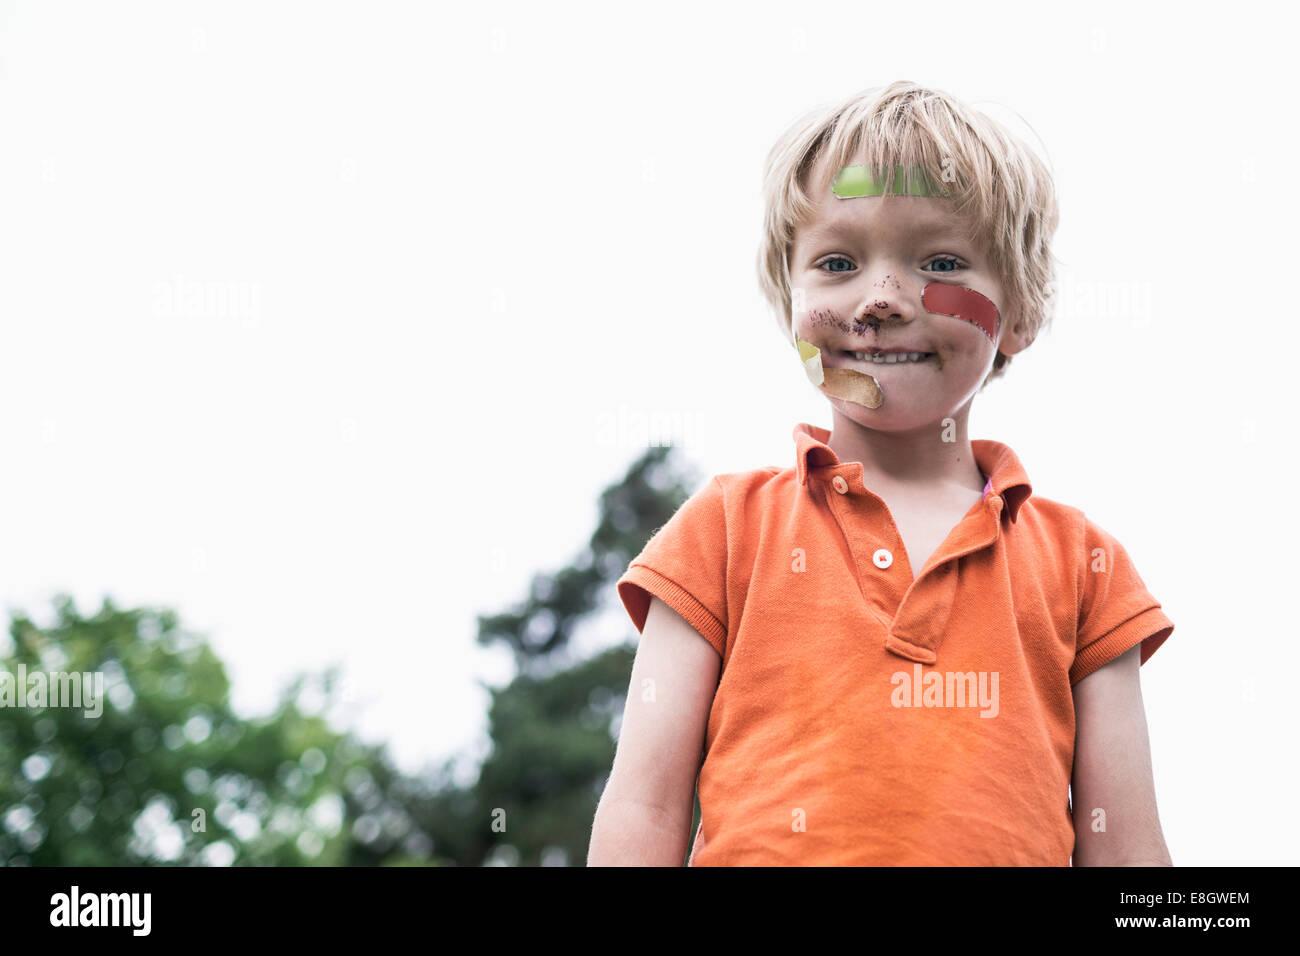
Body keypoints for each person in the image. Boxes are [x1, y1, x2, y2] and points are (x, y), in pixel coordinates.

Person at [587, 80, 1174, 866]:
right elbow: (642, 807)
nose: (883, 298)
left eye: (939, 260)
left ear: (1022, 312)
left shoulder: (1088, 570)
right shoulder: (721, 532)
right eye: (837, 262)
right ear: (789, 301)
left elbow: (1129, 854)